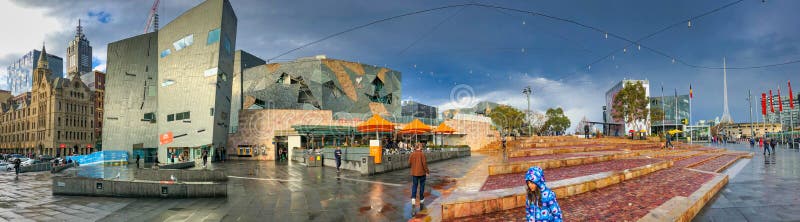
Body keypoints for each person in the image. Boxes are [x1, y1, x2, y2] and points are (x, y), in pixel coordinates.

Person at [409, 143, 429, 209]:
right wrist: (427, 171)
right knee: (422, 186)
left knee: (414, 185)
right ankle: (421, 199)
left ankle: (413, 199)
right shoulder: (422, 154)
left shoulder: (412, 154)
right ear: (419, 147)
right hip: (422, 173)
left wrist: (413, 167)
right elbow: (424, 164)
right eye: (421, 146)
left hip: (414, 173)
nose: (422, 147)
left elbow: (409, 163)